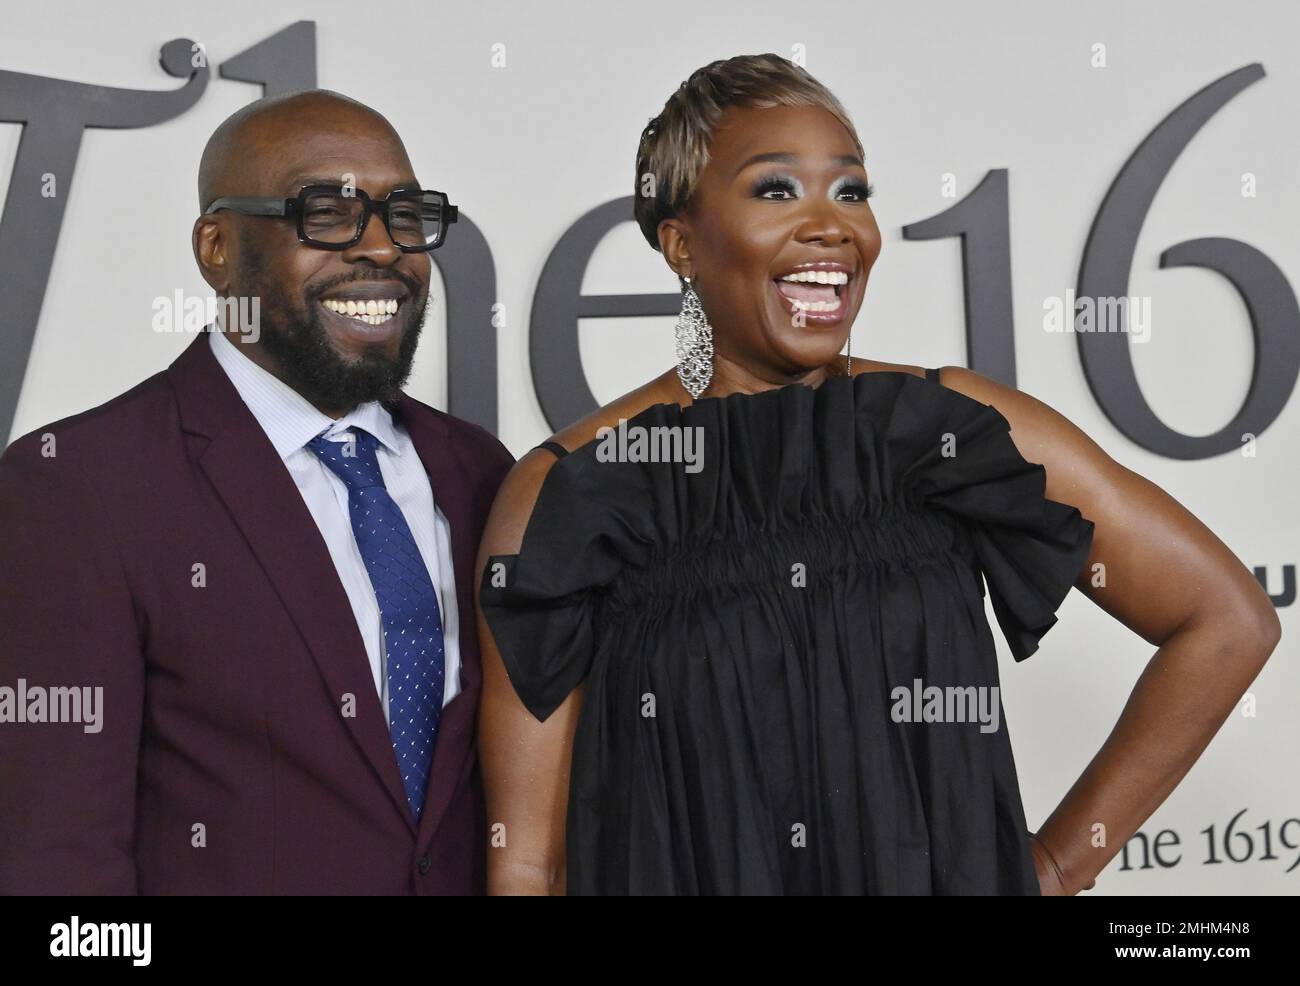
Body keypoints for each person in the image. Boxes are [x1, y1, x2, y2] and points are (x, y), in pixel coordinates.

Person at [475, 54, 1281, 895]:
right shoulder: (578, 489)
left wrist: (1053, 867)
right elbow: (528, 860)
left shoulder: (944, 430)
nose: (833, 227)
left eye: (851, 191)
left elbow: (1226, 620)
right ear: (681, 243)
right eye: (776, 190)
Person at [0, 89, 513, 894]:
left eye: (405, 214)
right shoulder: (80, 486)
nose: (381, 248)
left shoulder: (481, 473)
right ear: (215, 246)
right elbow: (54, 862)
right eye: (327, 213)